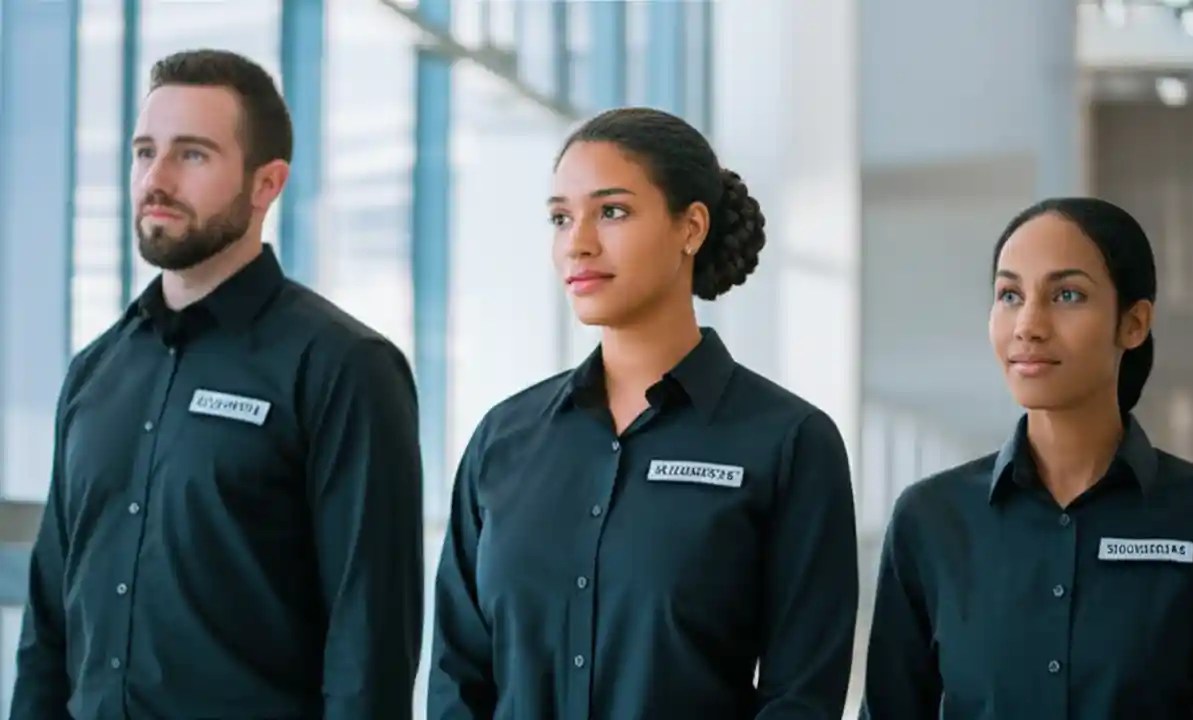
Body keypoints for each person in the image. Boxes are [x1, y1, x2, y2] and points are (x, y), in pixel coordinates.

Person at [10, 49, 424, 719]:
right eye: (145, 152)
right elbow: (49, 623)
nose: (157, 178)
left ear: (267, 183)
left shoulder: (344, 367)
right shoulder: (96, 371)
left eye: (193, 155)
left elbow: (369, 642)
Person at [426, 107, 860, 719]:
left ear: (691, 227)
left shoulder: (788, 443)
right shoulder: (504, 437)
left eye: (612, 211)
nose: (578, 242)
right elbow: (456, 673)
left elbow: (802, 694)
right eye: (560, 217)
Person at [860, 197, 1193, 719]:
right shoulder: (929, 520)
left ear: (1133, 323)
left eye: (1067, 295)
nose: (1029, 325)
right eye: (1010, 294)